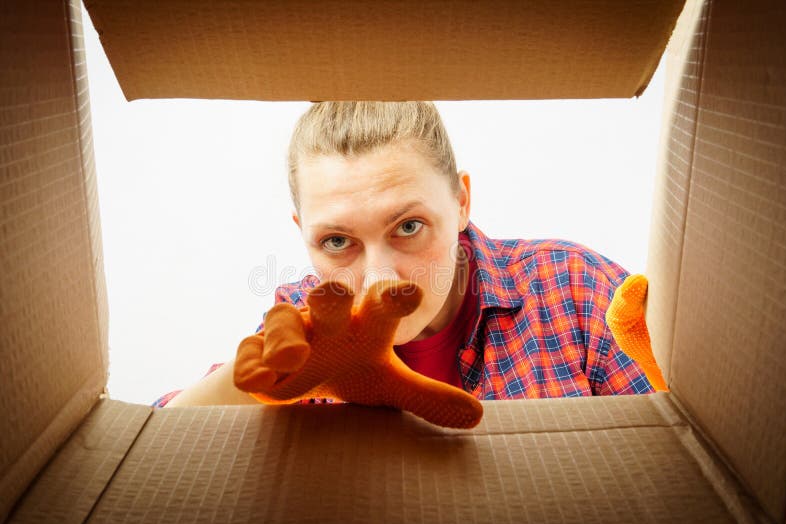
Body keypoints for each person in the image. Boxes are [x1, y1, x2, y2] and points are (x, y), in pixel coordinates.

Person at [156, 101, 653, 408]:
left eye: (408, 227)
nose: (378, 280)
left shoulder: (572, 290)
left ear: (461, 202)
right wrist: (252, 390)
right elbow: (142, 459)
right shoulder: (301, 332)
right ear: (302, 232)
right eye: (336, 242)